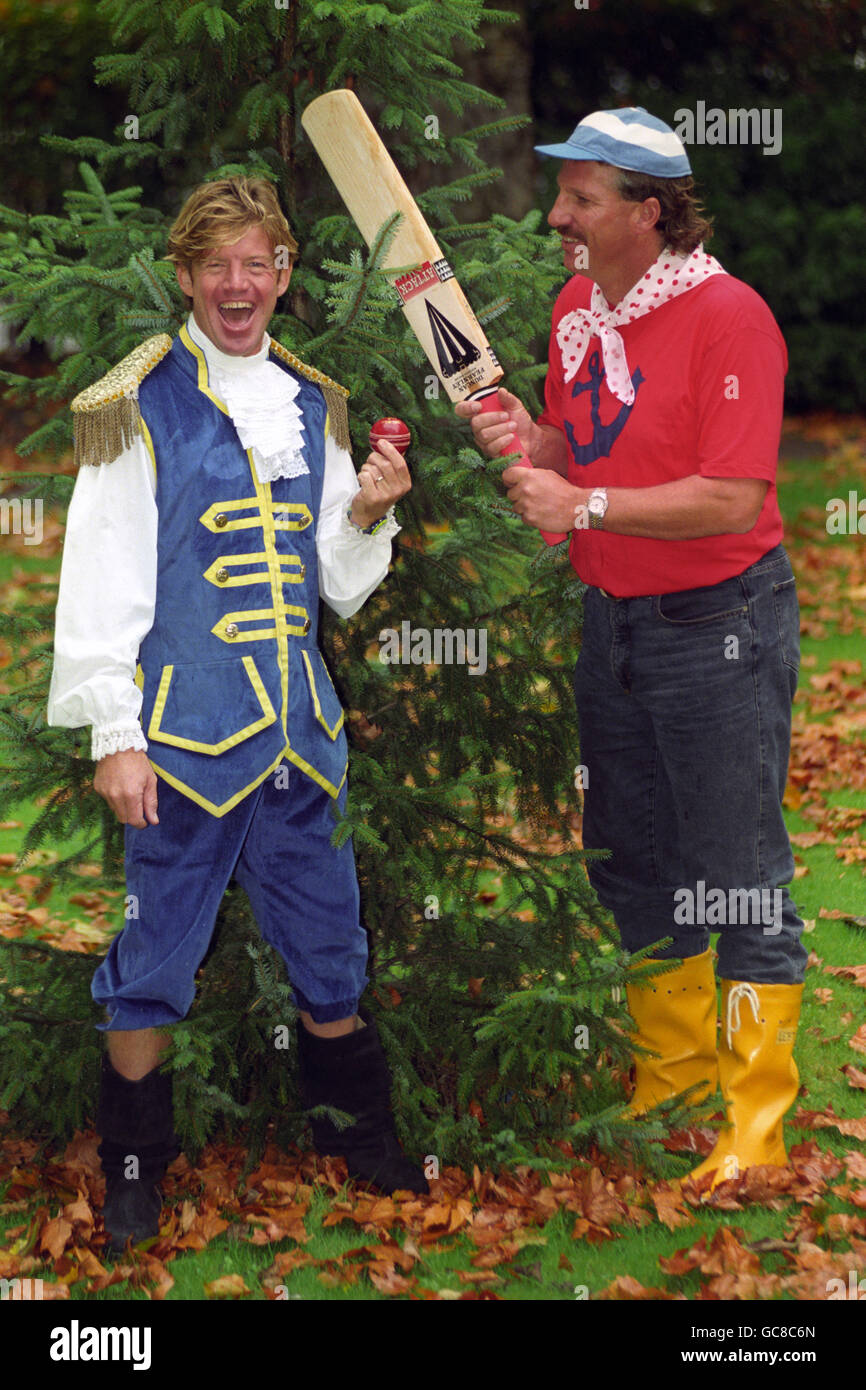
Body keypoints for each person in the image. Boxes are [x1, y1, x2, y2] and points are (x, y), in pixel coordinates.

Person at [48, 176, 426, 1251]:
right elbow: (101, 575)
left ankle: (361, 1148)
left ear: (283, 276)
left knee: (329, 954)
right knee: (151, 968)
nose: (235, 284)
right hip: (178, 742)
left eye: (255, 263)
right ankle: (132, 1180)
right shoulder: (141, 397)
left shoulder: (311, 401)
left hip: (297, 742)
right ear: (184, 275)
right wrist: (114, 733)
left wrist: (361, 514)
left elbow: (338, 585)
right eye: (215, 264)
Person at [457, 108, 806, 1190]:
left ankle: (754, 1125)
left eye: (580, 198)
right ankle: (673, 1081)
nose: (555, 211)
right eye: (561, 192)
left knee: (736, 877)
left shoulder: (729, 319)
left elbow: (727, 494)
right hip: (611, 622)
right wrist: (531, 438)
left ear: (647, 212)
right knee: (632, 859)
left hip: (720, 626)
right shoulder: (576, 307)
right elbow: (584, 446)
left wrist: (581, 501)